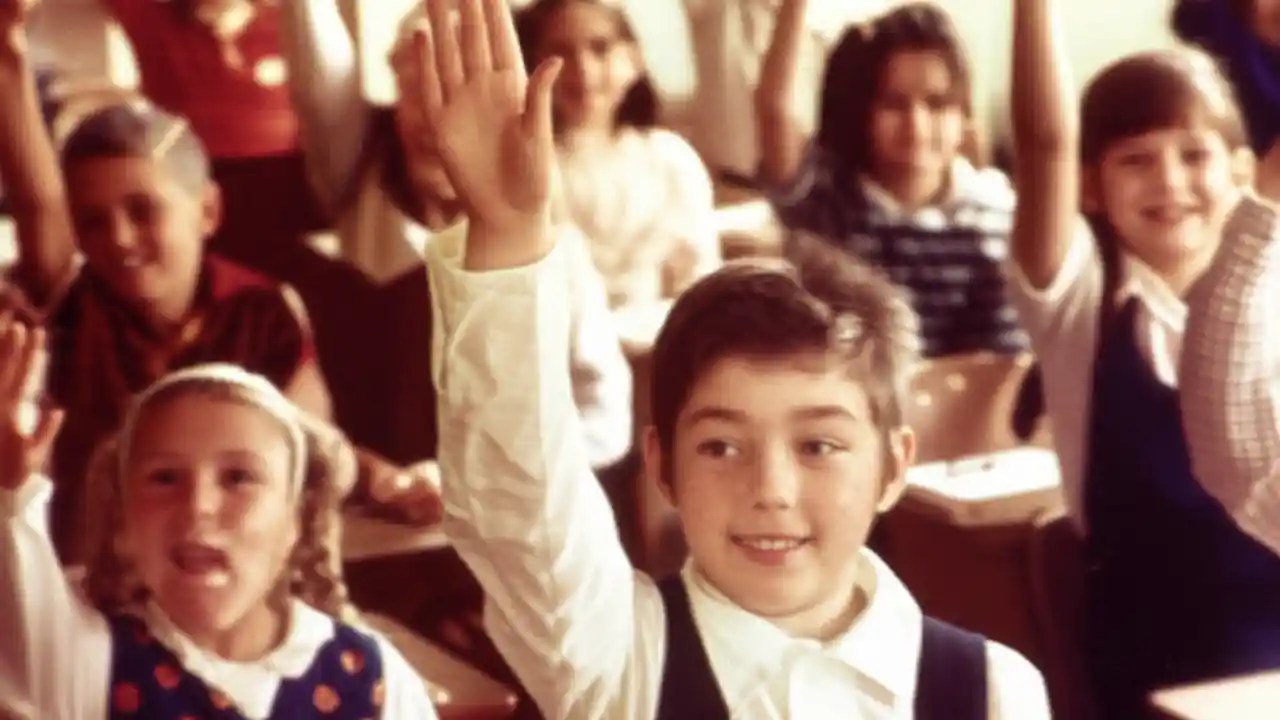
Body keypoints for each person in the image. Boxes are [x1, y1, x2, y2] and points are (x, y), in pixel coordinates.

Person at [413, 0, 1052, 716]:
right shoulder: (622, 654)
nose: (770, 489)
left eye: (818, 445)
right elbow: (519, 507)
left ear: (893, 465)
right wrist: (506, 234)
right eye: (720, 446)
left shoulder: (993, 690)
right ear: (662, 467)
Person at [0, 0, 435, 561]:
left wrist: (386, 481)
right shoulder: (70, 306)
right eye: (92, 222)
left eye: (143, 211)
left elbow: (308, 442)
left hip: (220, 569)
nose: (120, 239)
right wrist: (9, 58)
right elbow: (38, 202)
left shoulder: (262, 309)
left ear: (207, 211)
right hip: (91, 574)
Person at [1007, 0, 1280, 715]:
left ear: (1243, 171)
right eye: (1136, 159)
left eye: (1194, 155)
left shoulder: (1271, 298)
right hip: (1156, 646)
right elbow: (1043, 143)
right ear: (1089, 187)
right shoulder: (1078, 304)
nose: (1169, 181)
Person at [0, 324, 437, 718]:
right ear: (123, 521)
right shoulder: (89, 661)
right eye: (165, 478)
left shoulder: (373, 678)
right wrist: (11, 492)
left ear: (296, 520)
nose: (198, 506)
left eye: (238, 478)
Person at [279, 0, 633, 472]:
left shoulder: (555, 251)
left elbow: (605, 417)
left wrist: (495, 479)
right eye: (416, 94)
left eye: (455, 101)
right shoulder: (354, 206)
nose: (436, 124)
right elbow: (319, 80)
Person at [759, 0, 1025, 358]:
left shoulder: (994, 215)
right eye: (894, 103)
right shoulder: (828, 200)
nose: (916, 124)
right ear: (863, 112)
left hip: (960, 390)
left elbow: (1002, 362)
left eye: (937, 104)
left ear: (964, 116)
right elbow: (775, 111)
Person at [517, 0, 720, 308]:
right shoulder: (533, 169)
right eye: (560, 53)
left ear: (634, 58)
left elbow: (697, 271)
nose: (583, 69)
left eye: (600, 48)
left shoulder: (670, 158)